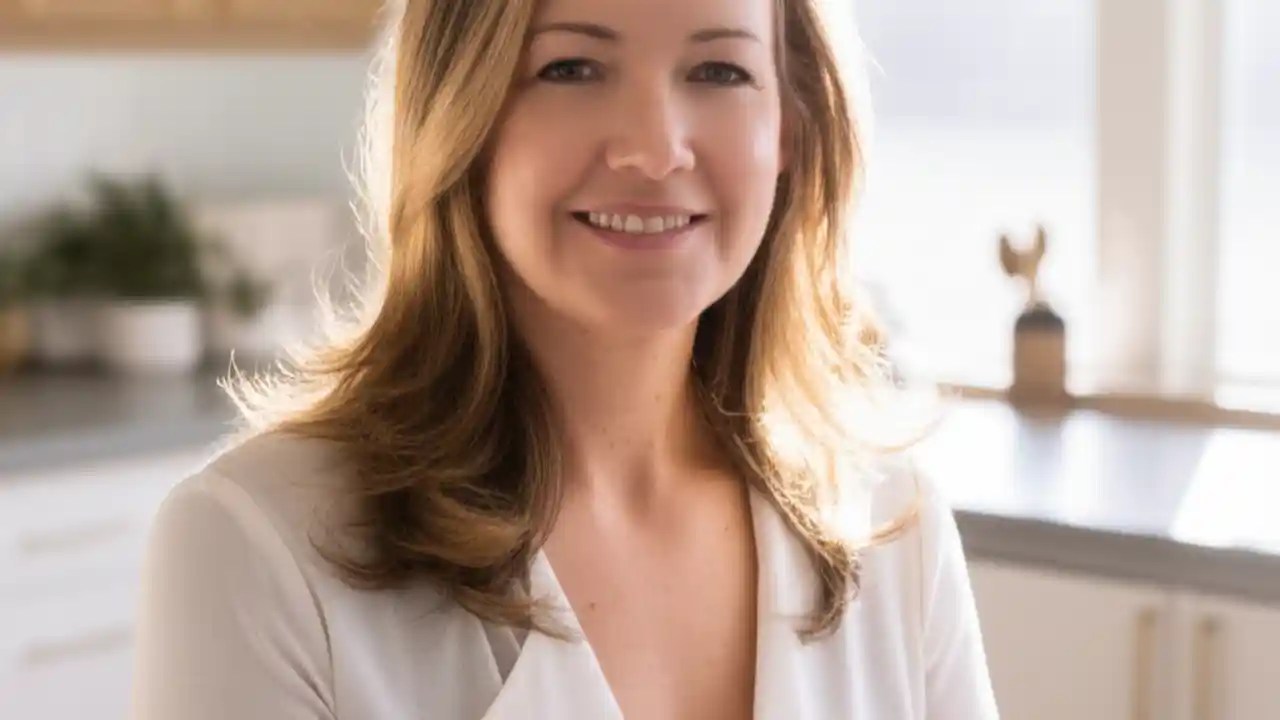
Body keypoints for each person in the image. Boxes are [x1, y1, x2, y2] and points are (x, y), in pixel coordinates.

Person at [129, 0, 1000, 717]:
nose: (655, 148)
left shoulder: (897, 529)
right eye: (573, 69)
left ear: (793, 130)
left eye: (719, 70)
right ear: (460, 116)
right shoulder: (255, 549)